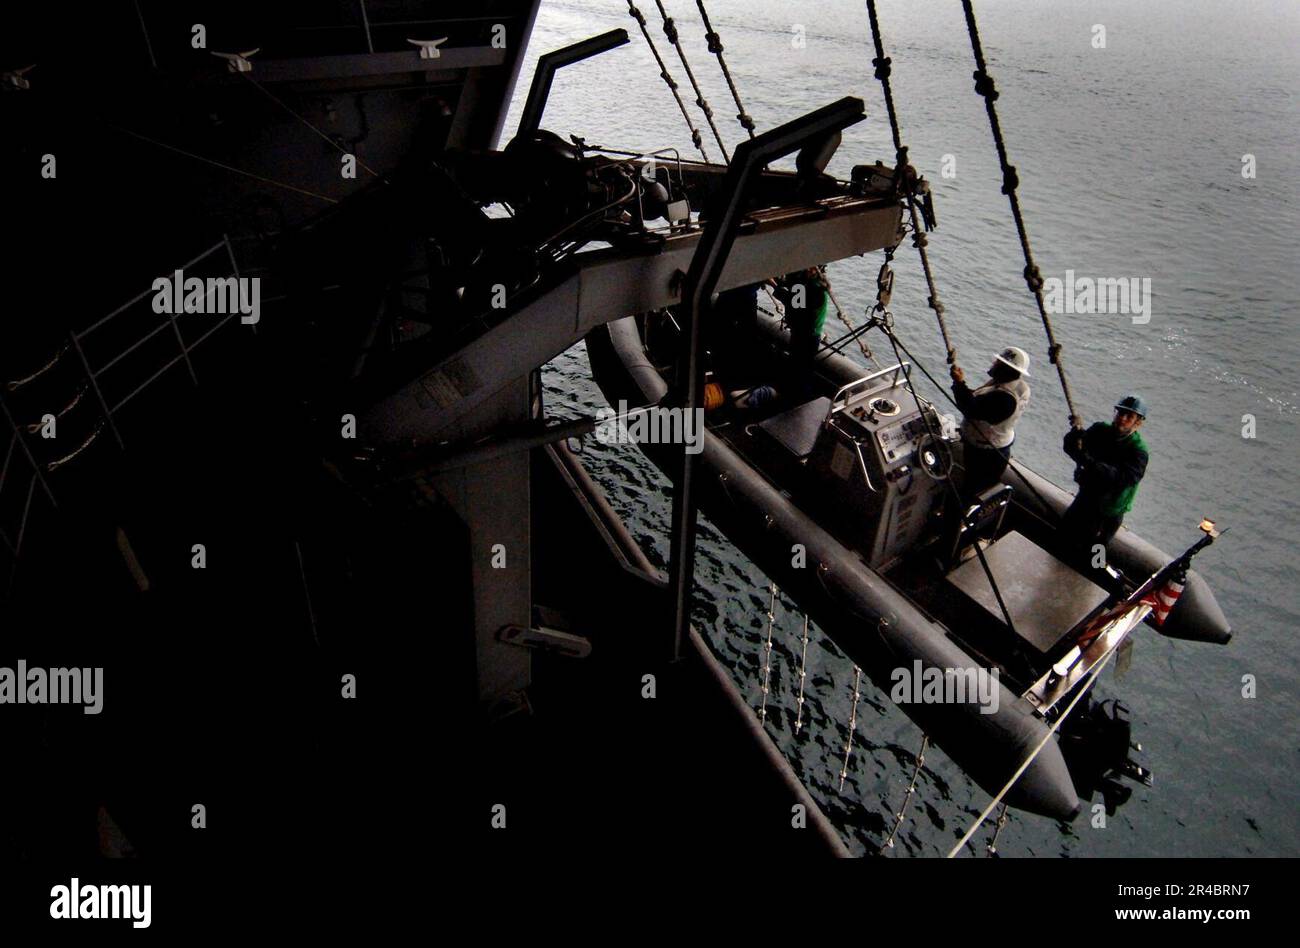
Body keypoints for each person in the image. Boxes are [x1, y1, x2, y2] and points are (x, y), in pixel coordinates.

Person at [1059, 395, 1150, 553]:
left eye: (1129, 416)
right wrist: (1075, 435)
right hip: (1086, 498)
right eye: (1120, 413)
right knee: (1063, 536)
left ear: (1138, 422)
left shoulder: (1138, 451)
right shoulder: (1100, 430)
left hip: (1108, 512)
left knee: (1094, 552)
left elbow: (1124, 478)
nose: (1122, 418)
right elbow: (1072, 448)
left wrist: (1090, 463)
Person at [949, 347, 1032, 498]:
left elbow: (971, 408)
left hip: (986, 454)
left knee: (973, 492)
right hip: (996, 447)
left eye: (998, 363)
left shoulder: (1005, 400)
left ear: (1006, 369)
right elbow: (981, 400)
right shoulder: (1016, 386)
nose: (994, 363)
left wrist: (959, 383)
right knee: (977, 489)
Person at [773, 266, 829, 401]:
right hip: (806, 333)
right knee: (802, 368)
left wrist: (774, 286)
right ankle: (797, 395)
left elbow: (795, 304)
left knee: (801, 370)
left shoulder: (813, 289)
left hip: (806, 335)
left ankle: (798, 399)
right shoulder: (815, 285)